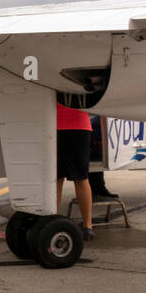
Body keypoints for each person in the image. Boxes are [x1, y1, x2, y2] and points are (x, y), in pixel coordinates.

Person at [57, 101, 95, 240]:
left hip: (55, 124)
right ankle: (87, 226)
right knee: (81, 179)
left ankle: (52, 221)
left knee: (57, 179)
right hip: (79, 125)